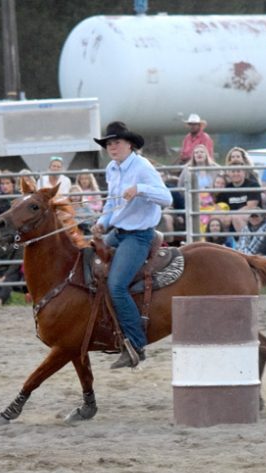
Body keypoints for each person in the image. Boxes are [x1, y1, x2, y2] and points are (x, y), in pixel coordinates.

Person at [90, 121, 172, 369]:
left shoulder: (143, 167)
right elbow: (110, 204)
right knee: (87, 264)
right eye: (108, 144)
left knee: (116, 285)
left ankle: (136, 344)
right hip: (118, 232)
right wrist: (102, 224)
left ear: (130, 144)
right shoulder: (112, 169)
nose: (111, 147)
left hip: (138, 235)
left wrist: (140, 189)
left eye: (116, 142)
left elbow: (166, 197)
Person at [216, 166, 263, 233]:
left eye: (238, 171)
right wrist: (223, 216)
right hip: (232, 217)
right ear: (229, 173)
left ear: (244, 173)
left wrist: (231, 215)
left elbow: (251, 206)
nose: (235, 174)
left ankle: (245, 242)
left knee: (237, 217)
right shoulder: (227, 188)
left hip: (252, 215)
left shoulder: (252, 185)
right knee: (217, 218)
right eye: (233, 171)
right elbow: (219, 206)